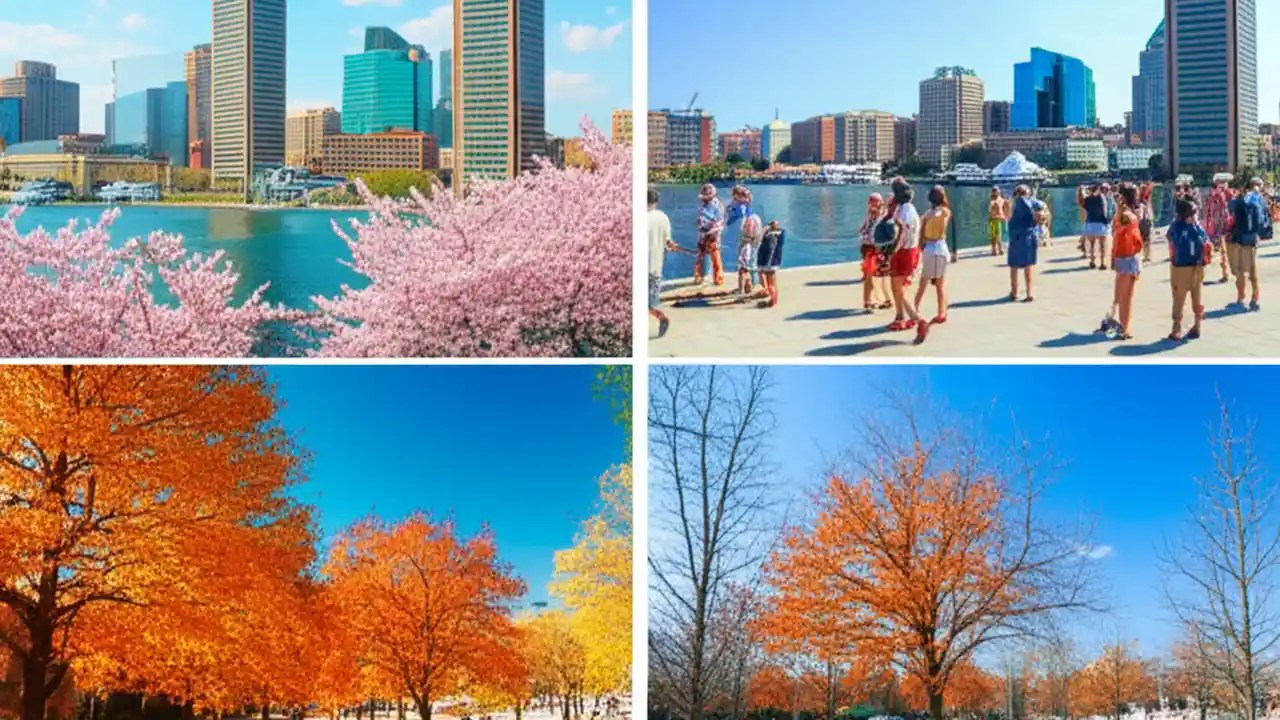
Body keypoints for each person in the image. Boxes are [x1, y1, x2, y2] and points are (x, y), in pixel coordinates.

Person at [1100, 183, 1144, 340]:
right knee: (1126, 296)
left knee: (1121, 296)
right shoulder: (1130, 214)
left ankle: (1120, 325)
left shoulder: (1124, 215)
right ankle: (1123, 327)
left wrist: (1113, 257)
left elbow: (1119, 237)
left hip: (1124, 256)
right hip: (1132, 256)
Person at [885, 178, 926, 340]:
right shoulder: (911, 209)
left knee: (898, 288)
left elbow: (900, 234)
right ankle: (900, 316)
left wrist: (891, 252)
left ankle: (917, 319)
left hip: (903, 252)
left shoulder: (902, 213)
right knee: (898, 287)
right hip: (912, 250)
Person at [1166, 198, 1209, 341]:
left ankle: (1176, 328)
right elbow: (1205, 239)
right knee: (1197, 296)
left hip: (1181, 266)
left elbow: (1170, 237)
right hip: (1197, 265)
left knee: (1179, 297)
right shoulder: (1197, 226)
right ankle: (1197, 325)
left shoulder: (1177, 225)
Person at [915, 186, 952, 337]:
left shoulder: (928, 214)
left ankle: (916, 307)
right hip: (941, 246)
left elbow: (920, 229)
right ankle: (941, 311)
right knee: (940, 283)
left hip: (930, 247)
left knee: (924, 280)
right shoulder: (945, 212)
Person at [1227, 177, 1269, 311]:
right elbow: (1264, 219)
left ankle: (1241, 298)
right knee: (1252, 270)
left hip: (1240, 237)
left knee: (1241, 270)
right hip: (1252, 238)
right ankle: (1254, 298)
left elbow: (1230, 208)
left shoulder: (1241, 198)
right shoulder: (1259, 199)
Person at [648, 187, 677, 338]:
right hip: (655, 267)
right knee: (651, 302)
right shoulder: (663, 217)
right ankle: (661, 318)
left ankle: (662, 319)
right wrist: (671, 245)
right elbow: (668, 241)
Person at [1007, 185, 1045, 302]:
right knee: (1028, 265)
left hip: (1016, 236)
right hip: (1030, 235)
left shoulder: (1012, 203)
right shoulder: (1034, 203)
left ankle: (1014, 292)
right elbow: (1042, 214)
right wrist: (1037, 223)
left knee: (1014, 265)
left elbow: (1007, 216)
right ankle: (1029, 293)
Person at [726, 186, 764, 297]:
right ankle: (753, 284)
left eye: (734, 197)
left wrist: (729, 214)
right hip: (755, 225)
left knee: (743, 262)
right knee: (753, 258)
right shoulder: (749, 206)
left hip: (749, 228)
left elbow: (734, 216)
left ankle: (742, 288)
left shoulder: (740, 207)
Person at [858, 193, 891, 310]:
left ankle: (881, 299)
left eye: (874, 201)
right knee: (870, 276)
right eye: (871, 201)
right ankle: (868, 300)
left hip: (878, 249)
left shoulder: (884, 215)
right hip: (868, 248)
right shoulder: (869, 216)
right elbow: (862, 229)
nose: (872, 204)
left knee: (878, 276)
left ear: (880, 202)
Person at [693, 183, 725, 285]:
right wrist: (700, 228)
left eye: (705, 196)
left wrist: (710, 233)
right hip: (702, 233)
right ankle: (698, 277)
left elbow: (719, 222)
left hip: (713, 235)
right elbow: (700, 218)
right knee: (700, 256)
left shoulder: (718, 205)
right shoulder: (702, 204)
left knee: (715, 256)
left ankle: (718, 278)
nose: (702, 198)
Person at [1203, 178, 1232, 284]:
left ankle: (1225, 273)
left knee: (1222, 250)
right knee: (1223, 250)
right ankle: (1225, 272)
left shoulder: (1217, 196)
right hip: (1221, 225)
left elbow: (1213, 212)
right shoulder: (1222, 195)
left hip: (1218, 226)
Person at [1077, 183, 1110, 270]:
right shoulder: (1102, 198)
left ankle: (1092, 261)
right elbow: (1105, 211)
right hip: (1101, 222)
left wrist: (1080, 191)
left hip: (1090, 223)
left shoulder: (1087, 199)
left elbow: (1081, 202)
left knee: (1092, 244)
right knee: (1102, 245)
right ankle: (1102, 263)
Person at [757, 220, 785, 307]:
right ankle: (774, 298)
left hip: (768, 262)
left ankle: (772, 299)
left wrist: (765, 229)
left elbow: (759, 238)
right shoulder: (780, 235)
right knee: (773, 282)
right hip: (774, 262)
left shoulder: (770, 236)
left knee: (770, 283)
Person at [1139, 182, 1155, 262]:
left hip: (1146, 221)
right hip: (1144, 221)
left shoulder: (1147, 202)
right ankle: (1145, 255)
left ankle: (1147, 255)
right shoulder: (1142, 202)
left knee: (1147, 239)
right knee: (1144, 239)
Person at [987, 187, 1006, 256]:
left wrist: (1003, 216)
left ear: (999, 191)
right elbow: (989, 210)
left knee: (998, 235)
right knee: (993, 236)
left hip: (999, 219)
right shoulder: (991, 199)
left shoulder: (1002, 199)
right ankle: (994, 250)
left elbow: (1005, 208)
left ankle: (1000, 249)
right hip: (992, 219)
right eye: (993, 191)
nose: (995, 192)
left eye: (996, 190)